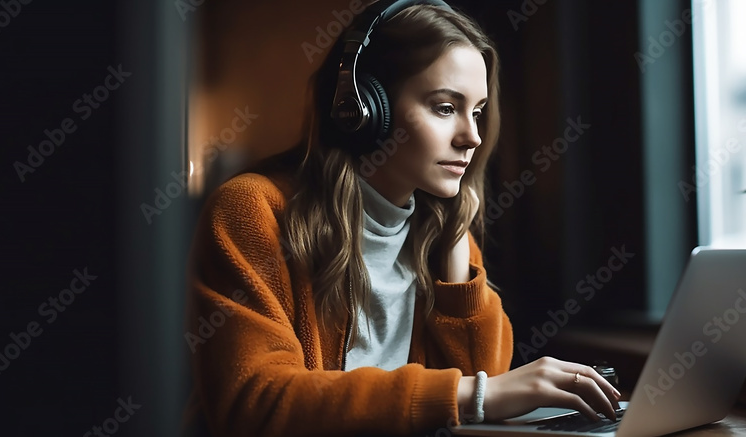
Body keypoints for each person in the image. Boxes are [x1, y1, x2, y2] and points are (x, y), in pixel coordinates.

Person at [183, 1, 621, 435]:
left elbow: (483, 384)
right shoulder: (252, 211)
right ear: (363, 110)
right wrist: (474, 395)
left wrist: (455, 264)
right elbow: (256, 404)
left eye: (478, 111)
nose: (471, 137)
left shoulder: (442, 232)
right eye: (446, 107)